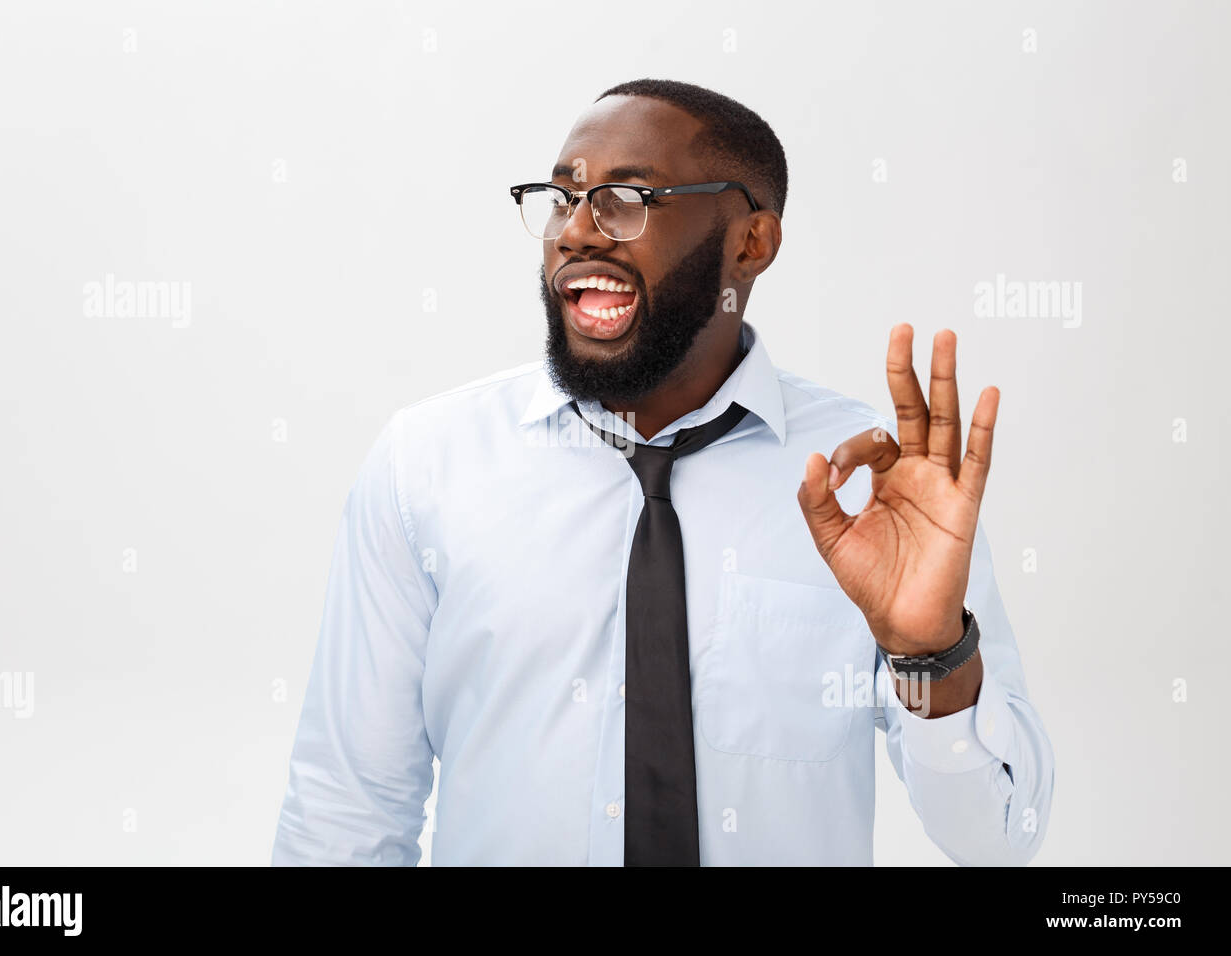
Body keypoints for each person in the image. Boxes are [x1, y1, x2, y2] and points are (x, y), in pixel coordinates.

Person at [271, 78, 1054, 866]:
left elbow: (997, 839)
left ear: (751, 243)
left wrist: (931, 653)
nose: (577, 231)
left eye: (626, 200)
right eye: (564, 198)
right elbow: (346, 814)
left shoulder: (880, 487)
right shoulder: (427, 466)